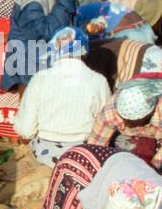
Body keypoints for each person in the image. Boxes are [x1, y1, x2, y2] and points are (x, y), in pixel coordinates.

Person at [13, 27, 110, 166]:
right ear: (84, 51)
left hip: (43, 153)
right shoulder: (99, 81)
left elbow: (25, 130)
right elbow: (104, 124)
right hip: (84, 154)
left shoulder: (40, 79)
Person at [88, 77, 162, 173]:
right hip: (137, 133)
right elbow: (96, 143)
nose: (126, 124)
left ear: (150, 113)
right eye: (124, 119)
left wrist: (153, 166)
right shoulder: (112, 110)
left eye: (131, 122)